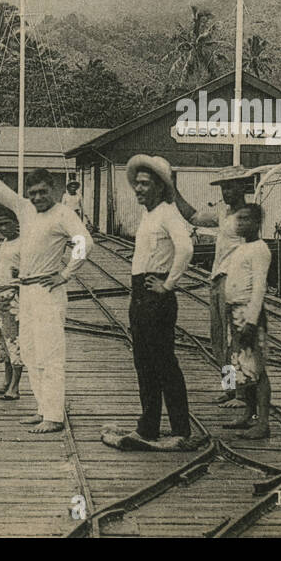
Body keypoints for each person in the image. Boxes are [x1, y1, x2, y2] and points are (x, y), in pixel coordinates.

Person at [0, 165, 91, 434]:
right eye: (33, 193)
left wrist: (65, 274)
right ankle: (42, 408)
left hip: (48, 291)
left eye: (42, 192)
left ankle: (54, 415)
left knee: (50, 354)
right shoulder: (25, 209)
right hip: (25, 290)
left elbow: (86, 241)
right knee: (29, 351)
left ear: (54, 190)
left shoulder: (63, 214)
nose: (37, 197)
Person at [126, 154, 207, 450]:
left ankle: (180, 430)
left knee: (164, 365)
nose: (139, 188)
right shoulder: (149, 215)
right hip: (141, 294)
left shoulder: (168, 212)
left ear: (161, 187)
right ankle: (148, 427)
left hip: (156, 296)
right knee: (144, 364)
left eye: (146, 184)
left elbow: (185, 249)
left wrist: (168, 284)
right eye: (137, 183)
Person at [174, 164, 252, 405]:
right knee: (218, 338)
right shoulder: (222, 213)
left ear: (242, 186)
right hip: (218, 279)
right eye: (223, 187)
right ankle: (229, 387)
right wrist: (173, 188)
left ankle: (242, 392)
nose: (226, 191)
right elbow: (194, 216)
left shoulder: (249, 214)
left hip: (237, 282)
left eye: (231, 186)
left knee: (235, 339)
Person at [220, 204, 273, 439]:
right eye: (238, 219)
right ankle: (248, 413)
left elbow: (260, 287)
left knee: (256, 368)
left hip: (249, 315)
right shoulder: (241, 248)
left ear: (257, 223)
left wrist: (251, 321)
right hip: (235, 313)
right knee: (240, 366)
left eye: (246, 220)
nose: (240, 224)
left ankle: (263, 422)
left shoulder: (260, 249)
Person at [0, 205, 23, 400]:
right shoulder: (5, 242)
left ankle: (15, 387)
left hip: (14, 297)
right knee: (2, 341)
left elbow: (26, 271)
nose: (3, 228)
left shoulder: (23, 243)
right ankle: (6, 381)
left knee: (14, 340)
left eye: (6, 223)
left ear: (16, 223)